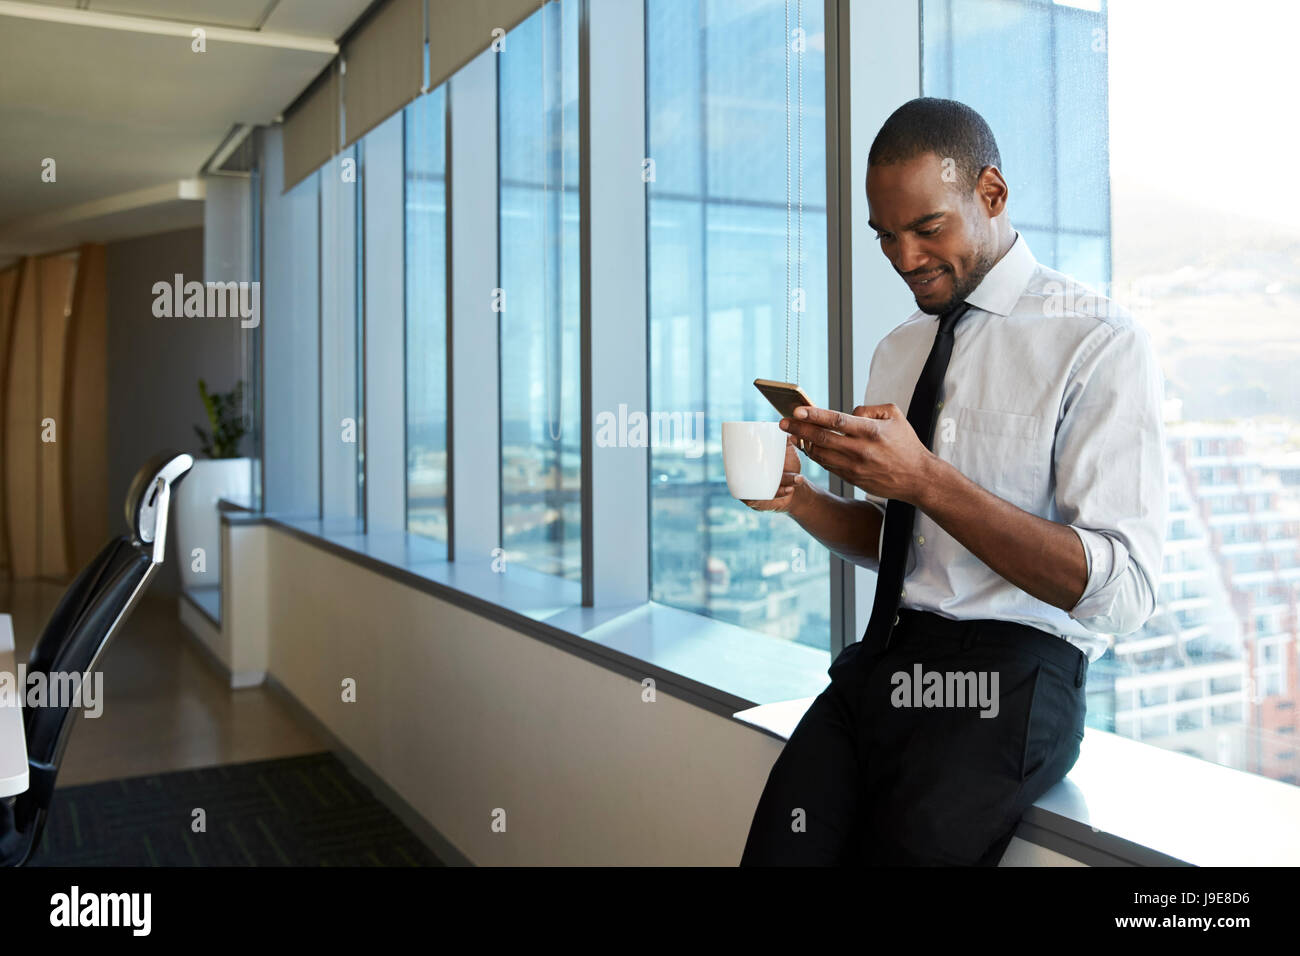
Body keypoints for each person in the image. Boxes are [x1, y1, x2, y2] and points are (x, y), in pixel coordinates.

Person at [738, 97, 1167, 866]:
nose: (905, 257)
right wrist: (802, 498)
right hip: (886, 658)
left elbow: (1123, 591)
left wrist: (927, 479)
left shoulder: (1097, 341)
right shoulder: (900, 349)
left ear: (991, 195)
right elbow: (905, 545)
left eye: (927, 228)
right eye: (886, 237)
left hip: (1010, 679)